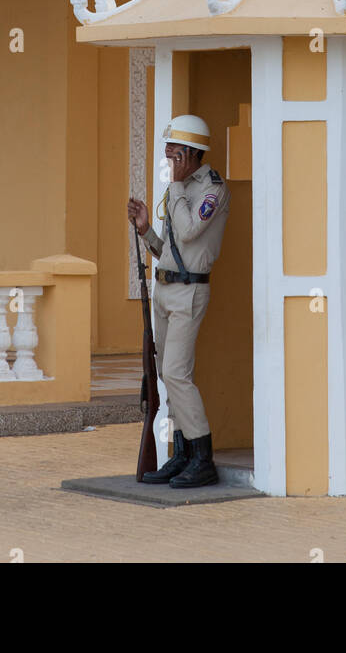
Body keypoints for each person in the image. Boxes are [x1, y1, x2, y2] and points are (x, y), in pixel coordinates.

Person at [127, 114, 230, 488]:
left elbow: (188, 232)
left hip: (190, 292)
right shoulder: (180, 189)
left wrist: (176, 188)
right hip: (166, 288)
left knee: (176, 373)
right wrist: (145, 230)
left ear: (190, 152)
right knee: (166, 375)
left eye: (174, 153)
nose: (169, 158)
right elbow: (168, 250)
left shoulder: (210, 189)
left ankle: (203, 457)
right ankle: (182, 454)